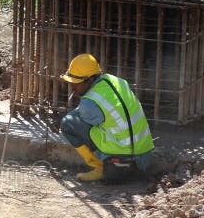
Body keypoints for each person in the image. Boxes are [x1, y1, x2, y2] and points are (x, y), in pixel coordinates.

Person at [59, 53, 154, 182]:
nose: (72, 87)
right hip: (145, 157)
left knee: (68, 123)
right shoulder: (117, 81)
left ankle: (100, 167)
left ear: (90, 79)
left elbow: (80, 119)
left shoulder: (89, 103)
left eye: (76, 83)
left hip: (120, 163)